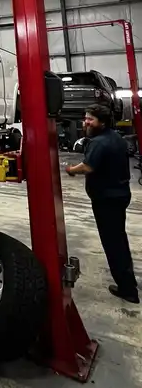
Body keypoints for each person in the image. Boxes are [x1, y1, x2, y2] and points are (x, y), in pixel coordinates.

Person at [65, 104, 138, 304]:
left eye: (90, 119)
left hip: (107, 200)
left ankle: (128, 290)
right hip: (120, 195)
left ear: (102, 122)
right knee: (119, 240)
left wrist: (71, 169)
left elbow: (87, 167)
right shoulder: (116, 138)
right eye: (85, 118)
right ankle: (128, 281)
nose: (86, 122)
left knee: (113, 244)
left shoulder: (99, 143)